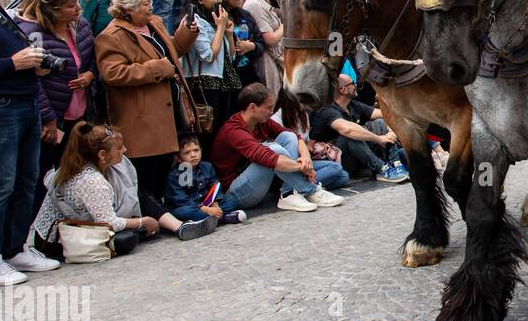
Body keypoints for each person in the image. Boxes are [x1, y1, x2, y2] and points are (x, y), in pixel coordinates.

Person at [26, 123, 215, 261]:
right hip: (64, 237)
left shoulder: (108, 165)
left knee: (143, 197)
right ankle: (162, 225)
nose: (125, 150)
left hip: (95, 220)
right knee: (128, 239)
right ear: (102, 155)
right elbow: (108, 222)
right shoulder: (90, 180)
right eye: (120, 148)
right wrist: (142, 220)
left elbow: (128, 194)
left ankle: (180, 227)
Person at [94, 0, 199, 217]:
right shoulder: (111, 36)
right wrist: (155, 69)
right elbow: (113, 73)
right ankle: (153, 217)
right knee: (147, 170)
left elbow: (172, 52)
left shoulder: (153, 24)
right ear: (129, 9)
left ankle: (169, 210)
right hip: (142, 117)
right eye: (145, 4)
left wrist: (187, 33)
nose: (151, 7)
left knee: (166, 164)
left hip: (168, 110)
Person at [0, 0, 53, 285]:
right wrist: (14, 64)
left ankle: (14, 248)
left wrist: (34, 66)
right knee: (0, 184)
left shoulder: (0, 11)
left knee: (28, 180)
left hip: (25, 102)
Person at [14, 0, 98, 216]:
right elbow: (33, 82)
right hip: (54, 114)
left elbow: (93, 58)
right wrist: (48, 117)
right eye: (71, 6)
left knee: (74, 170)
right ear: (54, 10)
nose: (78, 10)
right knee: (42, 174)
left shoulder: (80, 26)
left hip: (81, 111)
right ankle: (35, 229)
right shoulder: (33, 34)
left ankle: (70, 223)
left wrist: (91, 74)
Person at [212, 83, 348, 213]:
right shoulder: (234, 130)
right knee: (273, 150)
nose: (271, 112)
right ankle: (308, 190)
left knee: (287, 136)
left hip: (261, 181)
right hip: (238, 192)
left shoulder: (261, 121)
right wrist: (302, 168)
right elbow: (268, 158)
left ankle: (288, 193)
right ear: (252, 107)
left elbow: (296, 137)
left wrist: (306, 160)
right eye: (268, 108)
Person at [309, 75, 409, 183]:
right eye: (353, 83)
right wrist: (379, 139)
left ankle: (395, 164)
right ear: (344, 89)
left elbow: (384, 114)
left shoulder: (353, 105)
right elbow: (347, 130)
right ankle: (381, 169)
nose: (356, 86)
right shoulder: (327, 111)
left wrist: (391, 131)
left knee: (379, 123)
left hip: (359, 155)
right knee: (350, 136)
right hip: (339, 161)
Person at [178, 0, 237, 150]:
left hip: (222, 81)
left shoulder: (214, 20)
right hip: (204, 83)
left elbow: (231, 57)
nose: (219, 0)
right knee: (209, 131)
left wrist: (229, 34)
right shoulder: (195, 21)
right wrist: (220, 28)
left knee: (222, 129)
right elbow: (209, 55)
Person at [164, 135, 246, 225]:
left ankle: (210, 221)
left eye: (196, 150)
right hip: (188, 207)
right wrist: (205, 209)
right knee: (187, 212)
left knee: (232, 201)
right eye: (187, 152)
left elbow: (215, 187)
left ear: (201, 150)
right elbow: (181, 200)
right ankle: (222, 219)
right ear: (178, 158)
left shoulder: (207, 166)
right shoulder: (175, 175)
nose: (193, 155)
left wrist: (215, 206)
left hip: (207, 204)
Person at [242, 0, 284, 95]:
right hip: (267, 61)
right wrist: (285, 24)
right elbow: (269, 39)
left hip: (274, 58)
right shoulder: (254, 4)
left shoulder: (262, 2)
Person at [219, 0, 263, 87]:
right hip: (225, 77)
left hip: (248, 73)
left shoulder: (245, 15)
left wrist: (251, 46)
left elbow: (261, 43)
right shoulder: (217, 20)